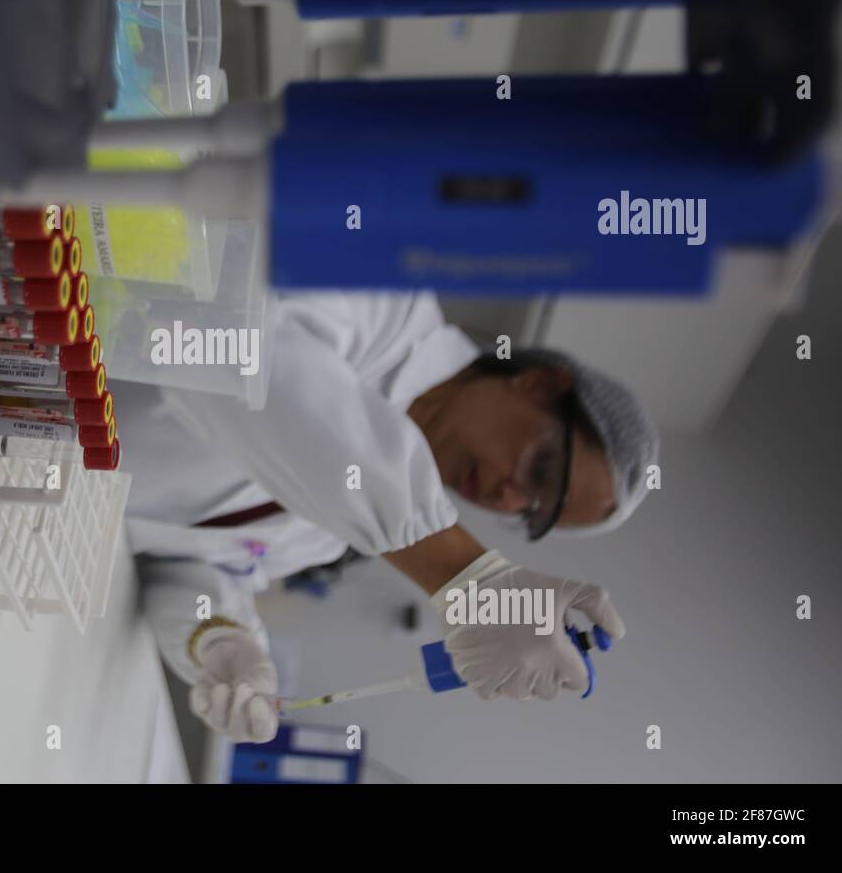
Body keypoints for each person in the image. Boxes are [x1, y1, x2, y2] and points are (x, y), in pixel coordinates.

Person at [112, 290, 659, 743]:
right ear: (540, 383)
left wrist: (223, 643)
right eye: (541, 471)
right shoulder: (382, 300)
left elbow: (187, 562)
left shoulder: (334, 537)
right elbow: (227, 354)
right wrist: (463, 575)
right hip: (40, 344)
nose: (508, 498)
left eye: (533, 515)